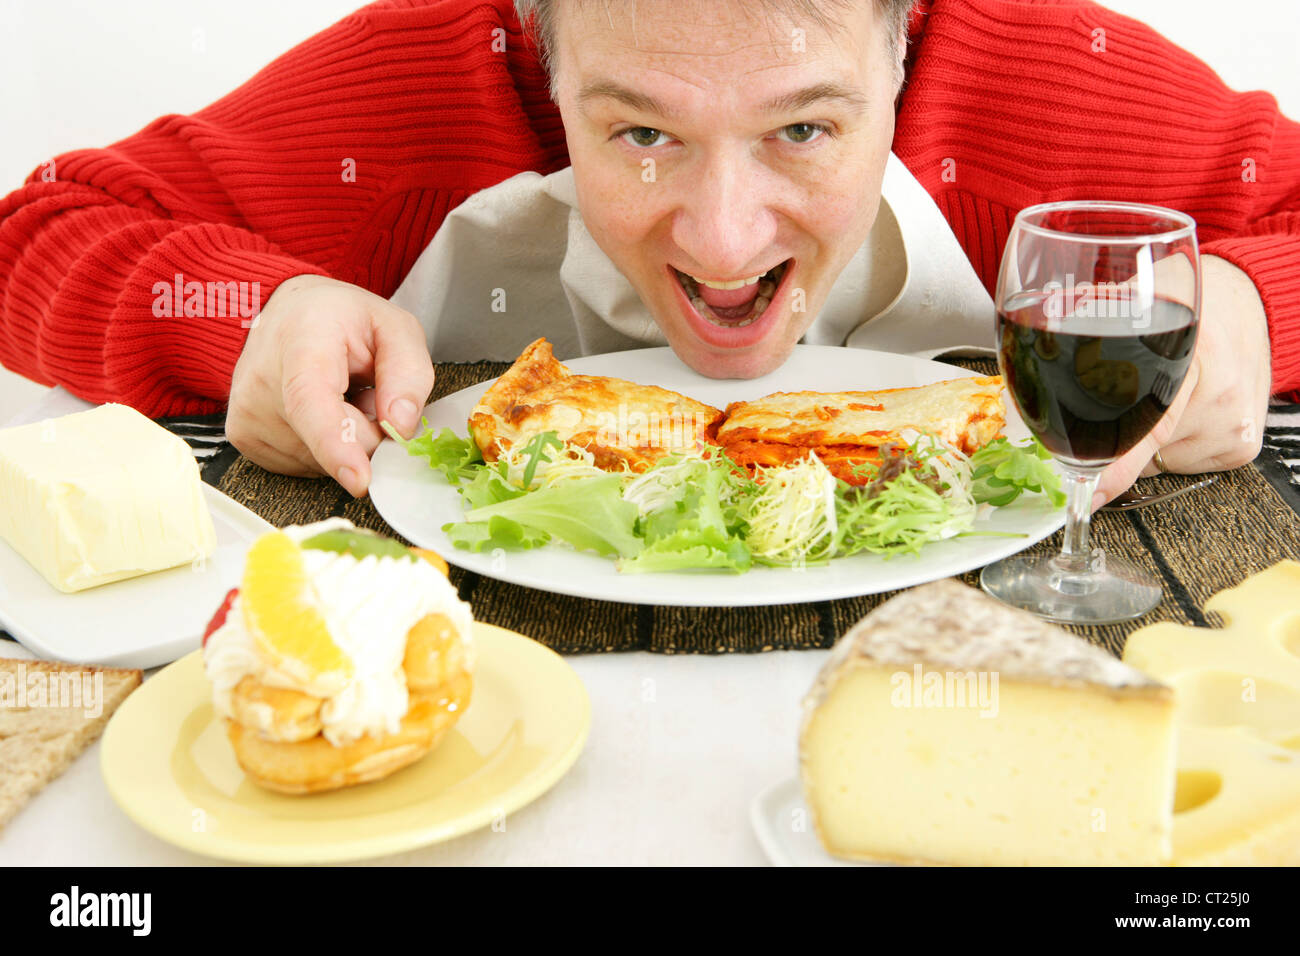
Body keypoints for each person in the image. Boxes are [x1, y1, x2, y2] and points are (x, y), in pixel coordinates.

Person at [0, 0, 1294, 511]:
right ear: (538, 53)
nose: (726, 240)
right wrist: (254, 320)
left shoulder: (1048, 82)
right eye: (640, 132)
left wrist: (1245, 308)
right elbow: (40, 230)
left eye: (805, 126)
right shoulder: (423, 81)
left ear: (904, 44)